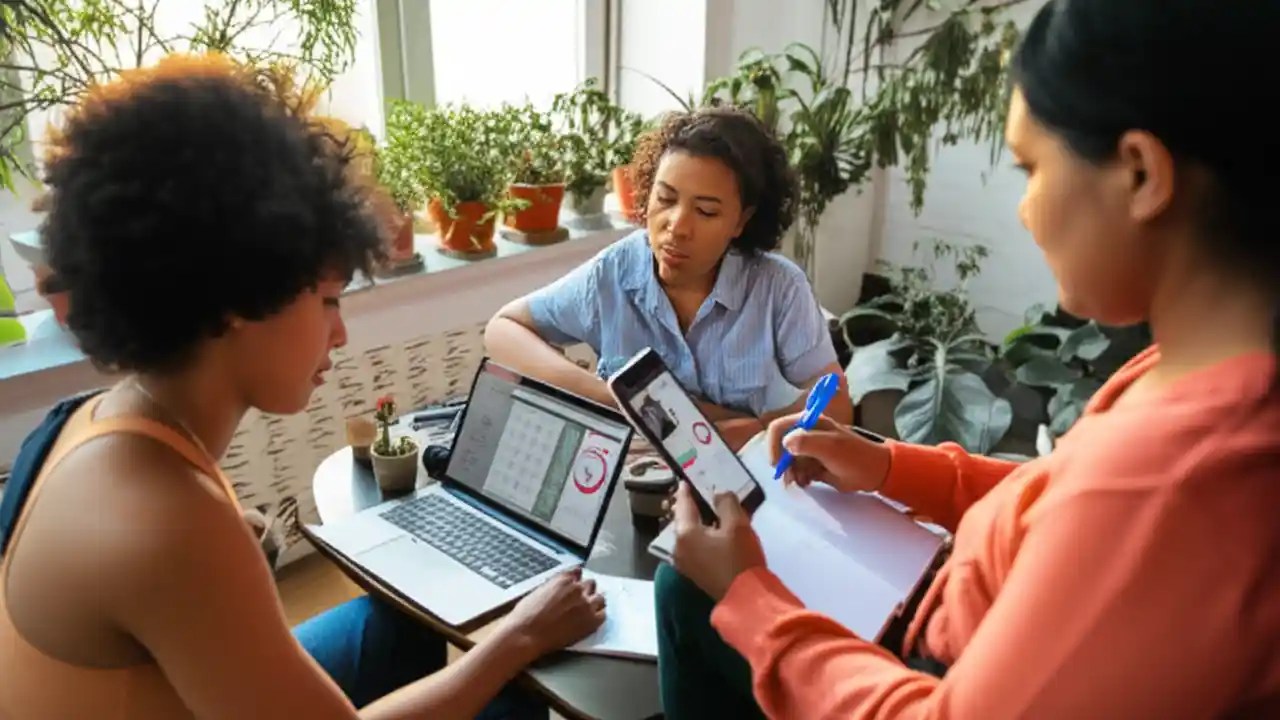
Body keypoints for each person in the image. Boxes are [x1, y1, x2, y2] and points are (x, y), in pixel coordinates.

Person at [656, 1, 1280, 717]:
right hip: (943, 590)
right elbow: (1053, 492)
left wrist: (751, 601)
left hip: (933, 660)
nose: (1024, 210)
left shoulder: (1172, 482)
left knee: (686, 589)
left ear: (1141, 174)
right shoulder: (1199, 368)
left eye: (1030, 168)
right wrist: (889, 466)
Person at [0, 53, 604, 719]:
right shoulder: (166, 523)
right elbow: (166, 551)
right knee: (508, 685)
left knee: (401, 620)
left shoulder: (93, 419)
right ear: (236, 296)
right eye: (327, 301)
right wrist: (520, 636)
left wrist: (229, 540)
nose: (339, 335)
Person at [485, 106, 852, 450]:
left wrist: (757, 431)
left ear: (741, 221)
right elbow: (503, 330)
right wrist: (613, 398)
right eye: (665, 199)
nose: (676, 227)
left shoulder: (778, 288)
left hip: (745, 486)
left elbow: (836, 408)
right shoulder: (615, 271)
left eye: (706, 212)